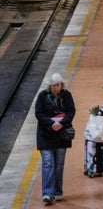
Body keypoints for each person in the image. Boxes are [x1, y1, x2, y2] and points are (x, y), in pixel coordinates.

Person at [35, 73, 75, 205]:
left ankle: (57, 191)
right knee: (48, 162)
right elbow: (38, 113)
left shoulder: (67, 95)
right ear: (49, 86)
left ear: (61, 85)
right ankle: (47, 193)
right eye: (53, 86)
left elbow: (71, 111)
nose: (56, 88)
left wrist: (61, 123)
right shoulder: (42, 96)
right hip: (46, 135)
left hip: (61, 135)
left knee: (59, 164)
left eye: (58, 85)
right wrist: (51, 123)